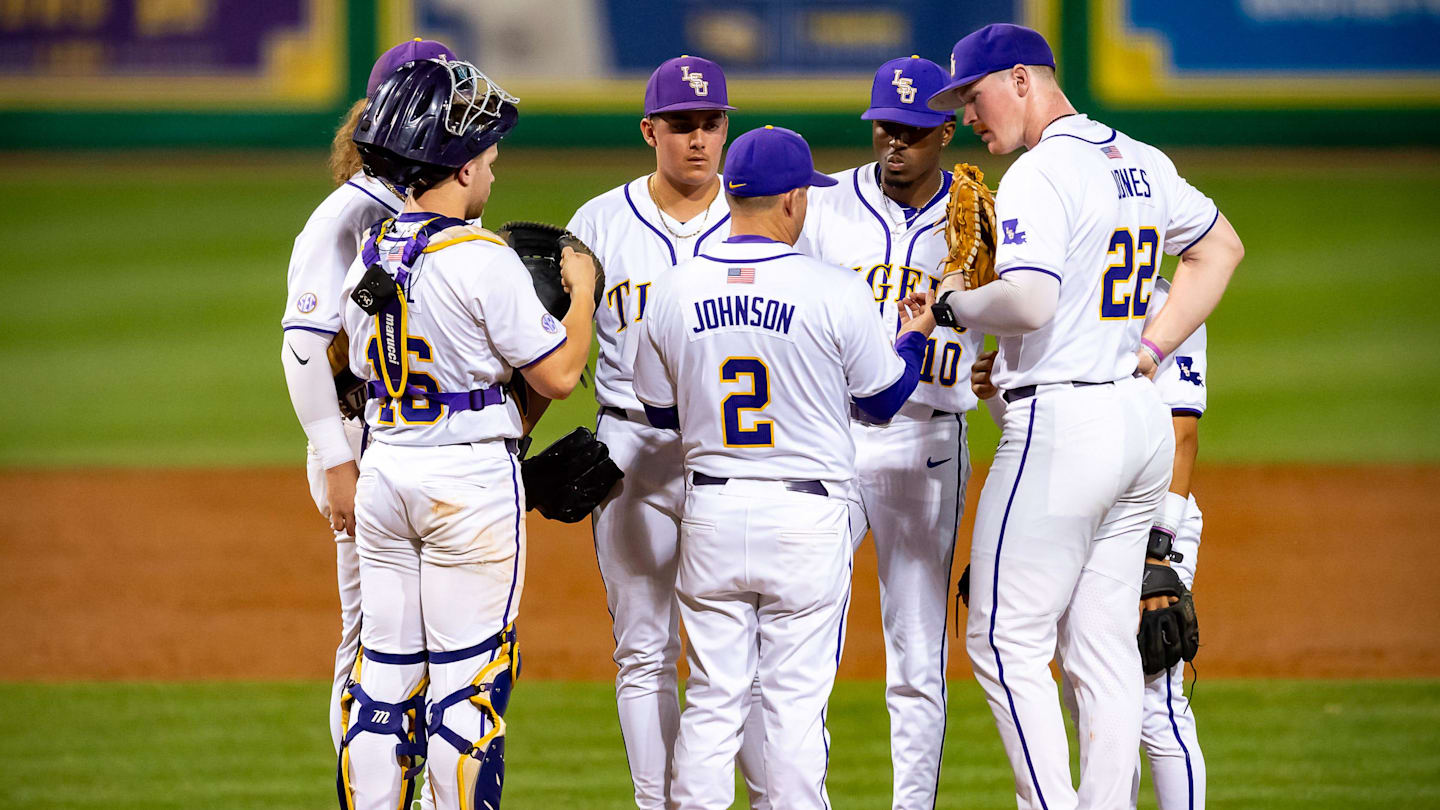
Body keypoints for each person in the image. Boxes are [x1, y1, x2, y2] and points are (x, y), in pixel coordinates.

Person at [924, 23, 1243, 809]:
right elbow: (1221, 248)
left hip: (1065, 430)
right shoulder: (1140, 158)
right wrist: (1153, 348)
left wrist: (953, 302)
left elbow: (1029, 302)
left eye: (975, 94)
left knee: (1002, 642)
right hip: (1137, 423)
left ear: (1024, 81)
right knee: (1101, 649)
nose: (968, 115)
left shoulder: (1041, 174)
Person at [632, 124, 938, 810]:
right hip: (805, 516)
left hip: (710, 508)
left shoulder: (675, 289)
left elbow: (656, 412)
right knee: (794, 705)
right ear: (794, 200)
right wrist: (913, 340)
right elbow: (884, 400)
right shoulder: (832, 289)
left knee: (713, 702)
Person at [333, 56, 596, 810]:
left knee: (382, 684)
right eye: (486, 158)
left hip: (388, 473)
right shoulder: (484, 259)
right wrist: (579, 293)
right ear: (457, 167)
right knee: (467, 689)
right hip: (467, 488)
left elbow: (348, 359)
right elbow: (557, 375)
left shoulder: (373, 249)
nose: (492, 170)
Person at [564, 56, 770, 808]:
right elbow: (564, 344)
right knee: (643, 650)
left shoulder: (756, 214)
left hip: (732, 456)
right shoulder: (597, 222)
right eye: (681, 125)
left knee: (735, 656)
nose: (697, 139)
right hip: (630, 453)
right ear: (649, 129)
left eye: (711, 123)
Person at [793, 55, 982, 809]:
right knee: (805, 642)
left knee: (916, 656)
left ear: (945, 129)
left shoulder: (979, 218)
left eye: (909, 130)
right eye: (882, 128)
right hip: (831, 439)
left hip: (927, 444)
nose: (893, 143)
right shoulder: (824, 204)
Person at [972, 276, 1211, 809]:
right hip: (1071, 512)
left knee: (1156, 699)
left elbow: (1182, 433)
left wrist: (1160, 550)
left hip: (1153, 520)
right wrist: (997, 391)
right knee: (1087, 689)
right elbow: (1038, 433)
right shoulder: (1057, 295)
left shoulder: (1166, 302)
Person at [280, 37, 456, 754]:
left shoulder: (429, 203)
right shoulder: (347, 215)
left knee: (430, 641)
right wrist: (336, 460)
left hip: (420, 442)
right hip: (359, 438)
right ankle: (368, 788)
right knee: (374, 643)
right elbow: (301, 347)